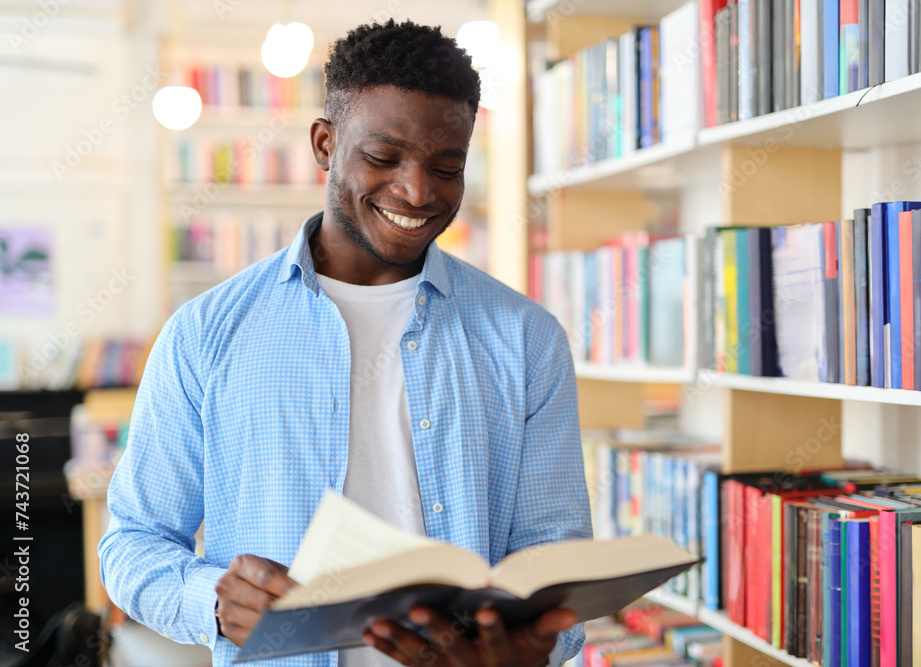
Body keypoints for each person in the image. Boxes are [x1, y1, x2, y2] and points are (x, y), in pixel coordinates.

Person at [98, 19, 592, 667]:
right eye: (384, 158)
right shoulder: (205, 333)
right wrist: (212, 601)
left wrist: (531, 646)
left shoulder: (527, 339)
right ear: (325, 143)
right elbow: (132, 544)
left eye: (447, 166)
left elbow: (554, 565)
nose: (417, 191)